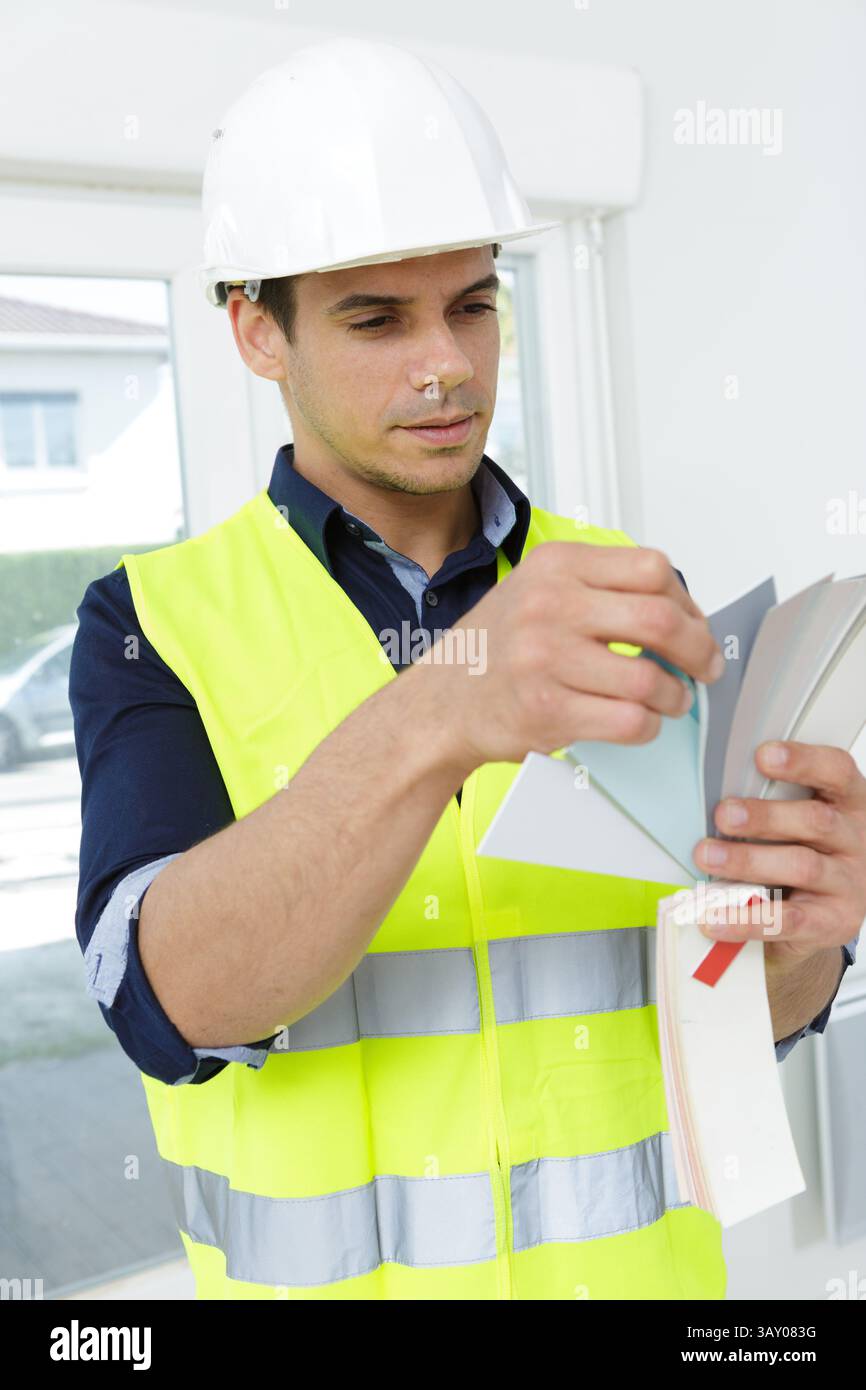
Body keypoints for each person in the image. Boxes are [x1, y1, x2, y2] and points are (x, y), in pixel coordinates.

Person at [70, 37, 861, 1300]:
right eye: (375, 319)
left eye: (473, 304)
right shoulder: (153, 621)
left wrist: (803, 933)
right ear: (255, 333)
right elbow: (173, 1003)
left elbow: (726, 1016)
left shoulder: (620, 586)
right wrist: (445, 702)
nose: (444, 363)